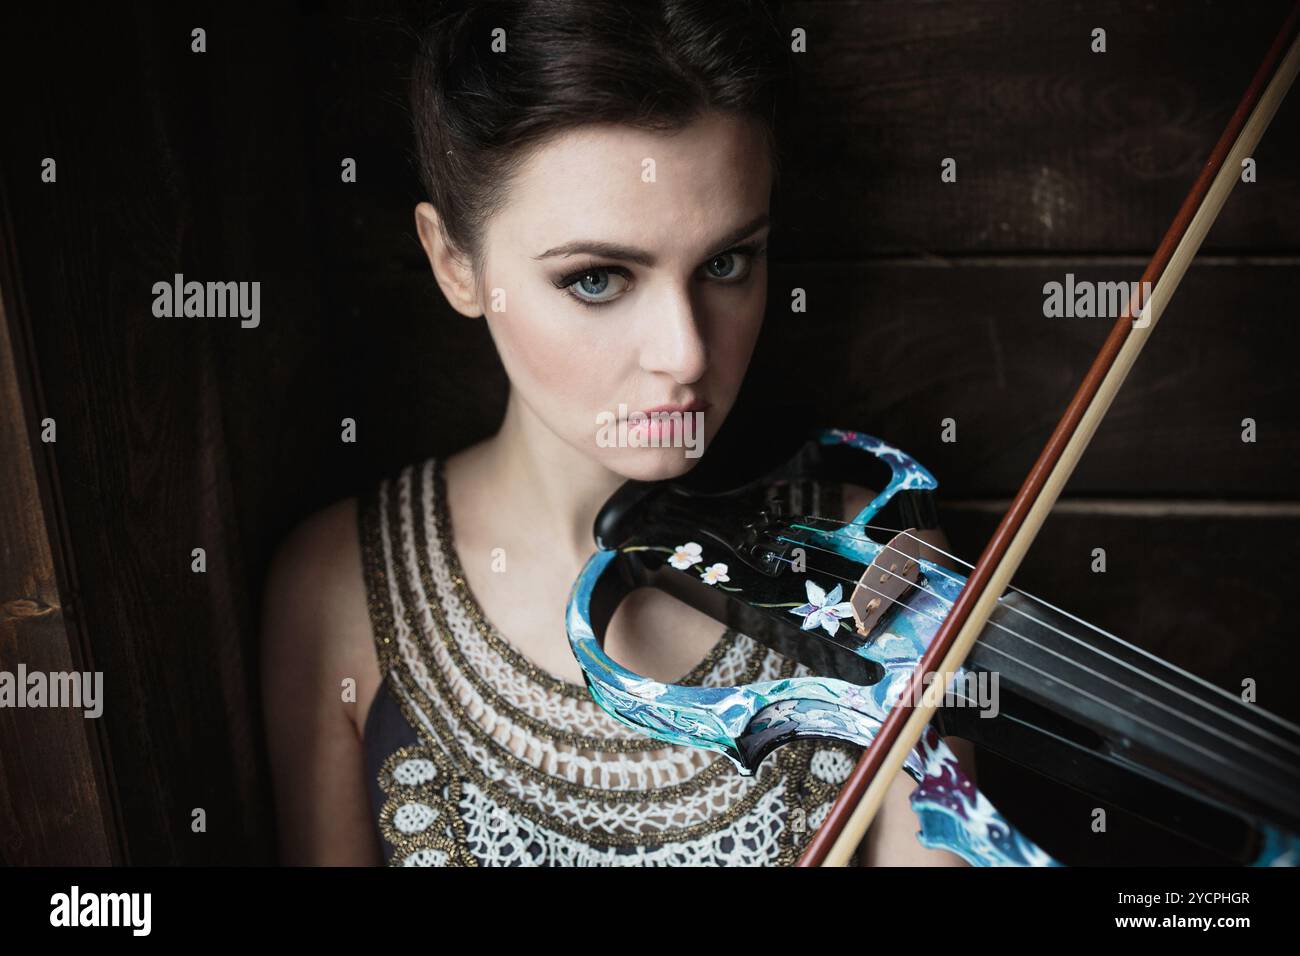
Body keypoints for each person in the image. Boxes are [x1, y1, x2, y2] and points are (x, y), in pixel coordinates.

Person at [260, 0, 973, 866]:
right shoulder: (336, 585)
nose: (685, 353)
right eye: (597, 278)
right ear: (457, 263)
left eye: (725, 262)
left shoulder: (879, 554)